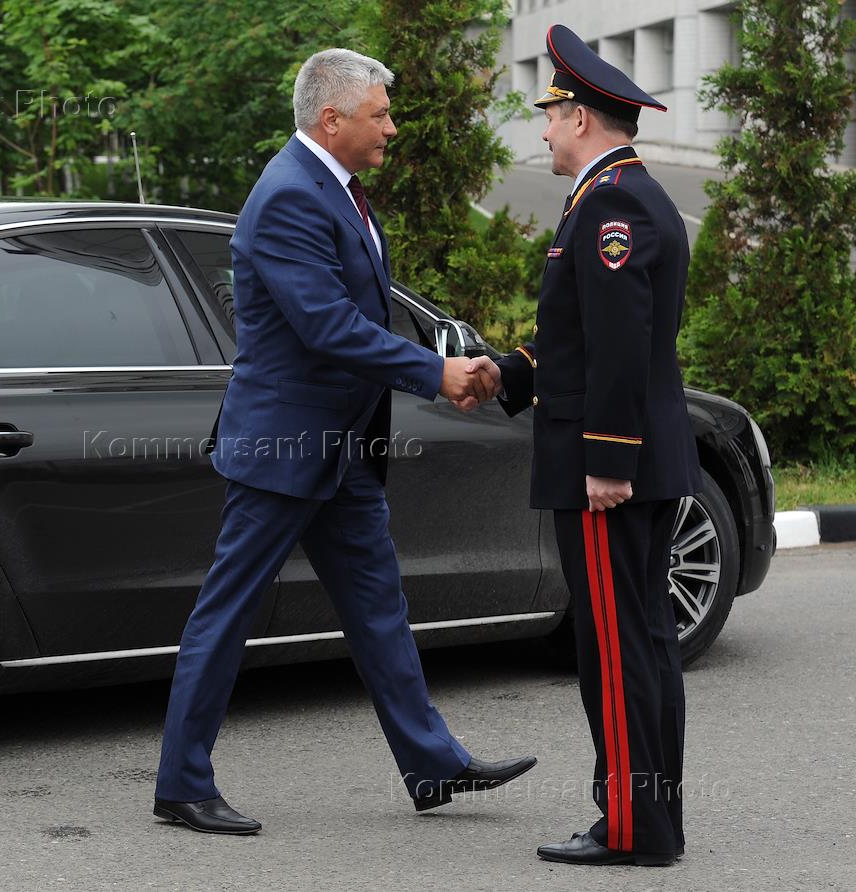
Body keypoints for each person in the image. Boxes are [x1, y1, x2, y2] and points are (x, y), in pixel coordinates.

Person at [152, 47, 536, 835]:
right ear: (332, 119)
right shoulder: (289, 195)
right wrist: (436, 372)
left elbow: (358, 314)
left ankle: (432, 764)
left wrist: (445, 367)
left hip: (342, 448)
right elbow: (328, 327)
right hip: (283, 445)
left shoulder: (336, 189)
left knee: (378, 607)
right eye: (380, 115)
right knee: (228, 612)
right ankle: (181, 784)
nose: (391, 128)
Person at [467, 24, 702, 866]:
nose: (543, 132)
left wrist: (606, 460)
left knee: (614, 649)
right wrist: (508, 373)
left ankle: (633, 829)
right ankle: (654, 821)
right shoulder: (624, 194)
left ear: (580, 118)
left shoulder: (609, 204)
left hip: (610, 472)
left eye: (549, 115)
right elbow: (580, 337)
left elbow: (621, 346)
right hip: (641, 460)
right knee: (643, 641)